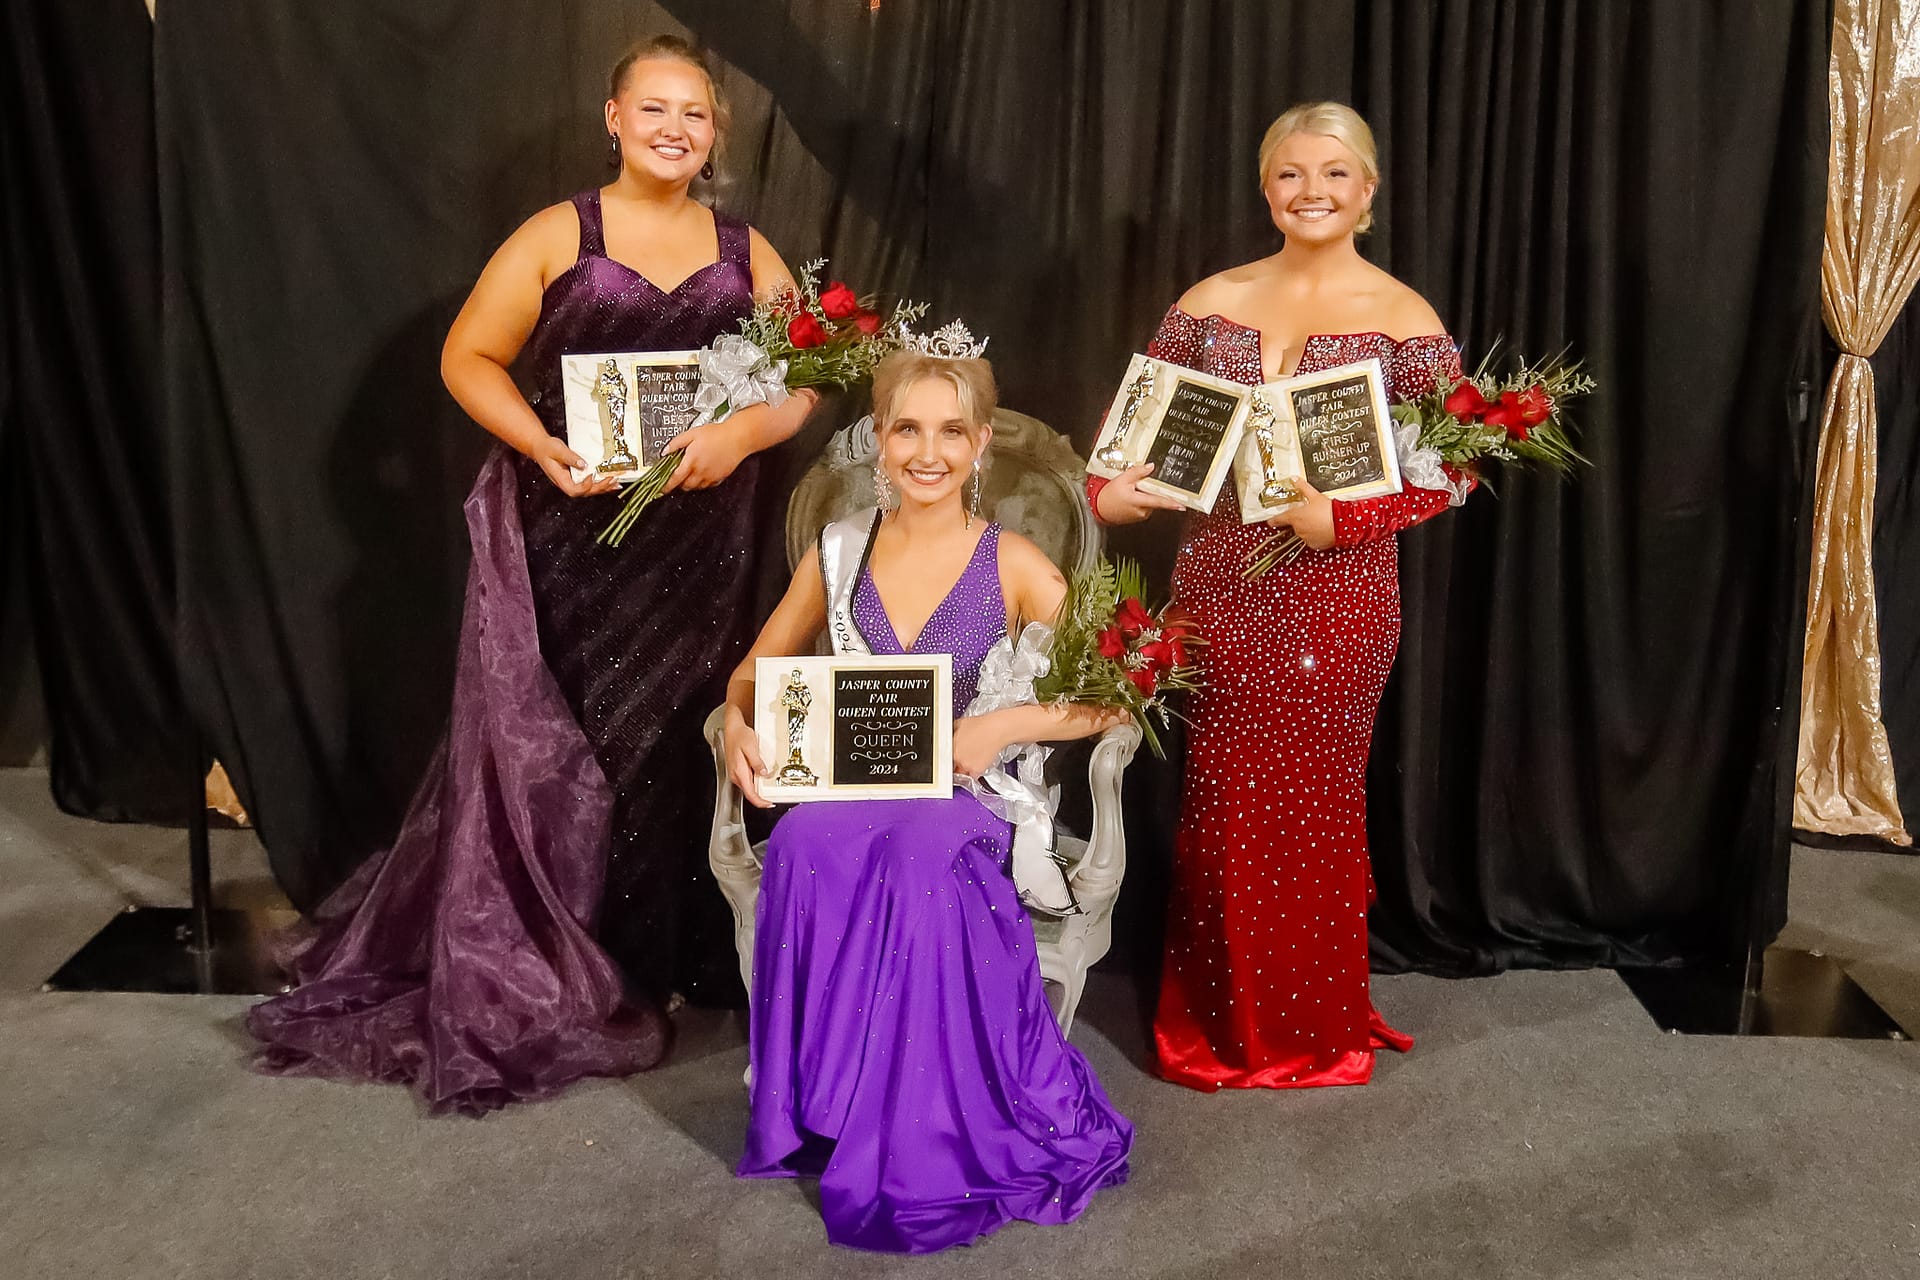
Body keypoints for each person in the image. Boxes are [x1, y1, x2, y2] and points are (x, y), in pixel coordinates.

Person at [246, 36, 816, 1114]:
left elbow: (801, 383)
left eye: (695, 115)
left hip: (704, 544)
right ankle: (573, 958)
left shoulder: (747, 246)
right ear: (612, 116)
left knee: (680, 736)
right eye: (655, 108)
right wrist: (542, 447)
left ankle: (672, 954)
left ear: (716, 136)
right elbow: (468, 356)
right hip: (580, 531)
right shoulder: (561, 233)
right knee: (577, 742)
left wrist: (746, 437)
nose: (674, 129)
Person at [1090, 102, 1472, 1091]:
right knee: (1220, 803)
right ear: (1267, 189)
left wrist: (1339, 520)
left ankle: (1310, 1023)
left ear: (1369, 191)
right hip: (1216, 587)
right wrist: (1116, 492)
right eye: (1292, 174)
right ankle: (1216, 1023)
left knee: (1313, 805)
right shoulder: (1208, 299)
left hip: (1339, 600)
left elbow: (1456, 470)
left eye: (1335, 174)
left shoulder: (1406, 315)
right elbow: (1123, 451)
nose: (1312, 192)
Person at [724, 351, 1133, 1252]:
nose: (928, 451)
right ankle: (827, 1108)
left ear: (980, 443)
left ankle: (918, 1132)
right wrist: (738, 723)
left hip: (966, 794)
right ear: (879, 437)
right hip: (859, 779)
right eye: (908, 428)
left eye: (951, 430)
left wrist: (1007, 724)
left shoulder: (1014, 560)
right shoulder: (840, 551)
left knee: (916, 861)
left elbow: (1115, 689)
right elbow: (755, 668)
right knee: (798, 847)